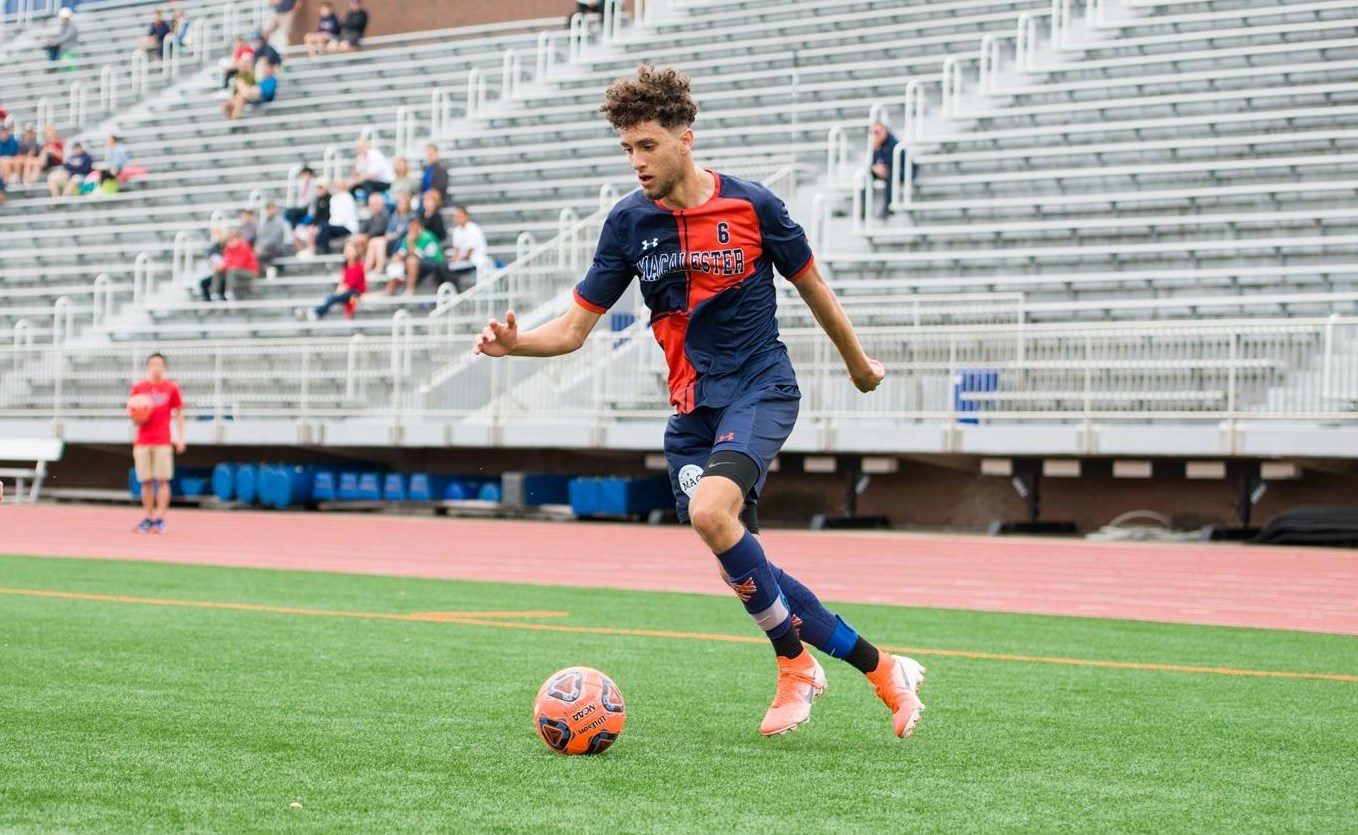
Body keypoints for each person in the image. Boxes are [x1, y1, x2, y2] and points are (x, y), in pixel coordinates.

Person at [473, 66, 924, 739]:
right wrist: (517, 346)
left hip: (761, 387)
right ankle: (883, 667)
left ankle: (796, 667)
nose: (636, 162)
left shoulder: (753, 206)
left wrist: (859, 366)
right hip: (691, 419)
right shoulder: (628, 224)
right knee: (746, 564)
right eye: (627, 149)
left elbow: (815, 289)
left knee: (714, 513)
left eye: (647, 146)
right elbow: (572, 330)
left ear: (686, 137)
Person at [130, 353, 186, 534]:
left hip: (163, 440)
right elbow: (133, 414)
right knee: (145, 481)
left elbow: (179, 413)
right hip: (143, 441)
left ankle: (160, 519)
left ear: (164, 367)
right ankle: (148, 517)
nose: (156, 368)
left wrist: (181, 437)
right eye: (153, 364)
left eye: (159, 364)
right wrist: (139, 417)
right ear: (148, 367)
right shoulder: (138, 388)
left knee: (162, 480)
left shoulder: (171, 388)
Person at [300, 238, 366, 320]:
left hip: (356, 295)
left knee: (333, 298)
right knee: (331, 298)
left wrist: (340, 291)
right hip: (347, 294)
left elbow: (351, 284)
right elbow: (343, 281)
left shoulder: (359, 266)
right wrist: (339, 290)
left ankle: (316, 312)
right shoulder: (345, 266)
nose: (348, 251)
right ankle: (315, 311)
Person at [386, 215, 443, 295]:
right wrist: (397, 257)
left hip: (434, 263)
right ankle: (390, 290)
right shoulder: (408, 236)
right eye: (410, 225)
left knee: (412, 260)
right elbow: (402, 252)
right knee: (396, 260)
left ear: (419, 226)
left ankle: (410, 289)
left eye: (413, 225)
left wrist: (411, 242)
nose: (411, 228)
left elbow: (418, 255)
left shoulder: (427, 237)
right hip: (417, 263)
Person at [202, 227, 259, 300]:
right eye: (229, 240)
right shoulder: (228, 248)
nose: (230, 242)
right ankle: (214, 293)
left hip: (249, 272)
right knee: (219, 271)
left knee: (231, 270)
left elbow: (239, 264)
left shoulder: (244, 247)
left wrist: (223, 266)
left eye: (232, 240)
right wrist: (220, 266)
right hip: (235, 271)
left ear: (238, 239)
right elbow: (227, 261)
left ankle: (229, 292)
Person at [364, 192, 413, 277]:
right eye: (399, 203)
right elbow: (389, 229)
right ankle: (367, 268)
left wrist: (391, 236)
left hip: (401, 241)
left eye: (403, 204)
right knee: (373, 241)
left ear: (407, 204)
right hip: (390, 238)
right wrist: (388, 235)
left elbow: (404, 232)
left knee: (380, 242)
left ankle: (379, 267)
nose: (401, 205)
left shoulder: (411, 216)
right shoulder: (395, 215)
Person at [443, 206, 487, 291]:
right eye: (456, 216)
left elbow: (469, 254)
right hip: (463, 261)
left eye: (459, 216)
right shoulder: (456, 231)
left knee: (446, 269)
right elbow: (457, 251)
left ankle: (457, 291)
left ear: (466, 216)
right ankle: (455, 290)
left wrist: (458, 259)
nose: (457, 219)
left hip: (475, 260)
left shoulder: (473, 229)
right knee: (442, 267)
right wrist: (454, 258)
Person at [255, 201, 290, 272]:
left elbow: (274, 239)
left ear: (275, 209)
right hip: (266, 249)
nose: (267, 211)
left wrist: (262, 246)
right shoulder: (265, 222)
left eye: (269, 209)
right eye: (266, 209)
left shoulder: (279, 222)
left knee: (259, 256)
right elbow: (260, 236)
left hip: (276, 249)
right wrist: (257, 246)